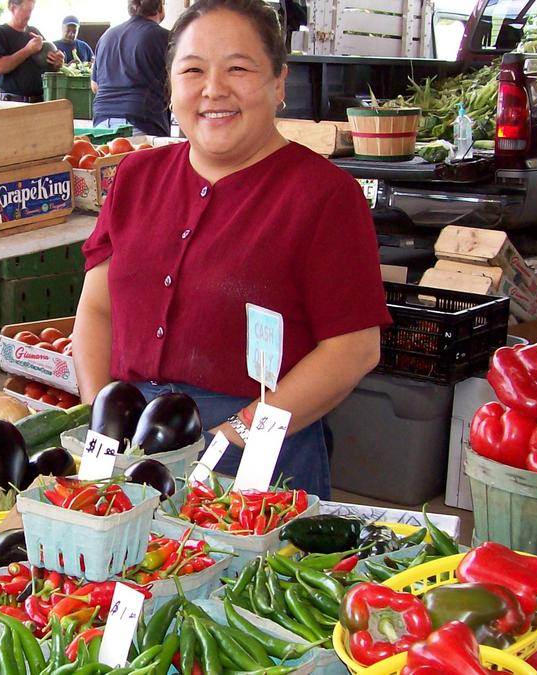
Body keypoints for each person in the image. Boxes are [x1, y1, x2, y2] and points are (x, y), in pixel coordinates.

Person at [71, 0, 390, 499]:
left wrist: (234, 434)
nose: (213, 89)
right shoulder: (135, 177)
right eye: (192, 70)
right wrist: (103, 418)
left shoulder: (324, 195)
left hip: (259, 448)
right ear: (171, 86)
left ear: (279, 83)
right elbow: (95, 308)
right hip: (128, 439)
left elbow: (352, 349)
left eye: (238, 69)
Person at [90, 0, 170, 136]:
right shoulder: (164, 37)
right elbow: (181, 82)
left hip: (102, 122)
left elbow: (95, 86)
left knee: (109, 158)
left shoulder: (107, 36)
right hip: (142, 121)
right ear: (160, 8)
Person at [0, 0, 63, 102]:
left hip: (39, 101)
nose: (29, 15)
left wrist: (57, 62)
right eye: (26, 10)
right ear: (12, 8)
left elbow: (49, 65)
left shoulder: (34, 32)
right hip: (12, 103)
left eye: (31, 10)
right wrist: (28, 50)